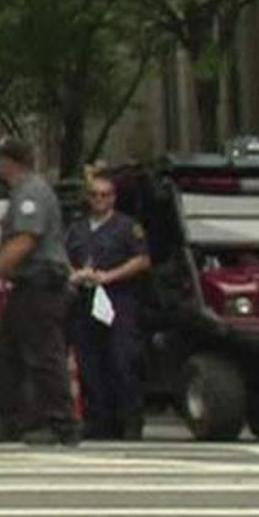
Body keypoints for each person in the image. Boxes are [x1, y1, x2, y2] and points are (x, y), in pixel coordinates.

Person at [0, 136, 79, 446]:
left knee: (44, 355)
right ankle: (16, 421)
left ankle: (62, 424)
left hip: (41, 283)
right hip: (27, 285)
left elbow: (25, 240)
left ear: (10, 161)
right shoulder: (21, 191)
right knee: (6, 352)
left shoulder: (31, 192)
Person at [63, 174, 151, 441]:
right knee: (90, 361)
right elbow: (63, 255)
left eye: (105, 195)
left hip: (119, 299)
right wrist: (74, 274)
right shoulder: (77, 229)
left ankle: (131, 421)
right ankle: (98, 421)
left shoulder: (127, 227)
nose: (99, 200)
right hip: (85, 299)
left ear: (113, 198)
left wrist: (109, 276)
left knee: (122, 359)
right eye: (94, 195)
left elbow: (142, 260)